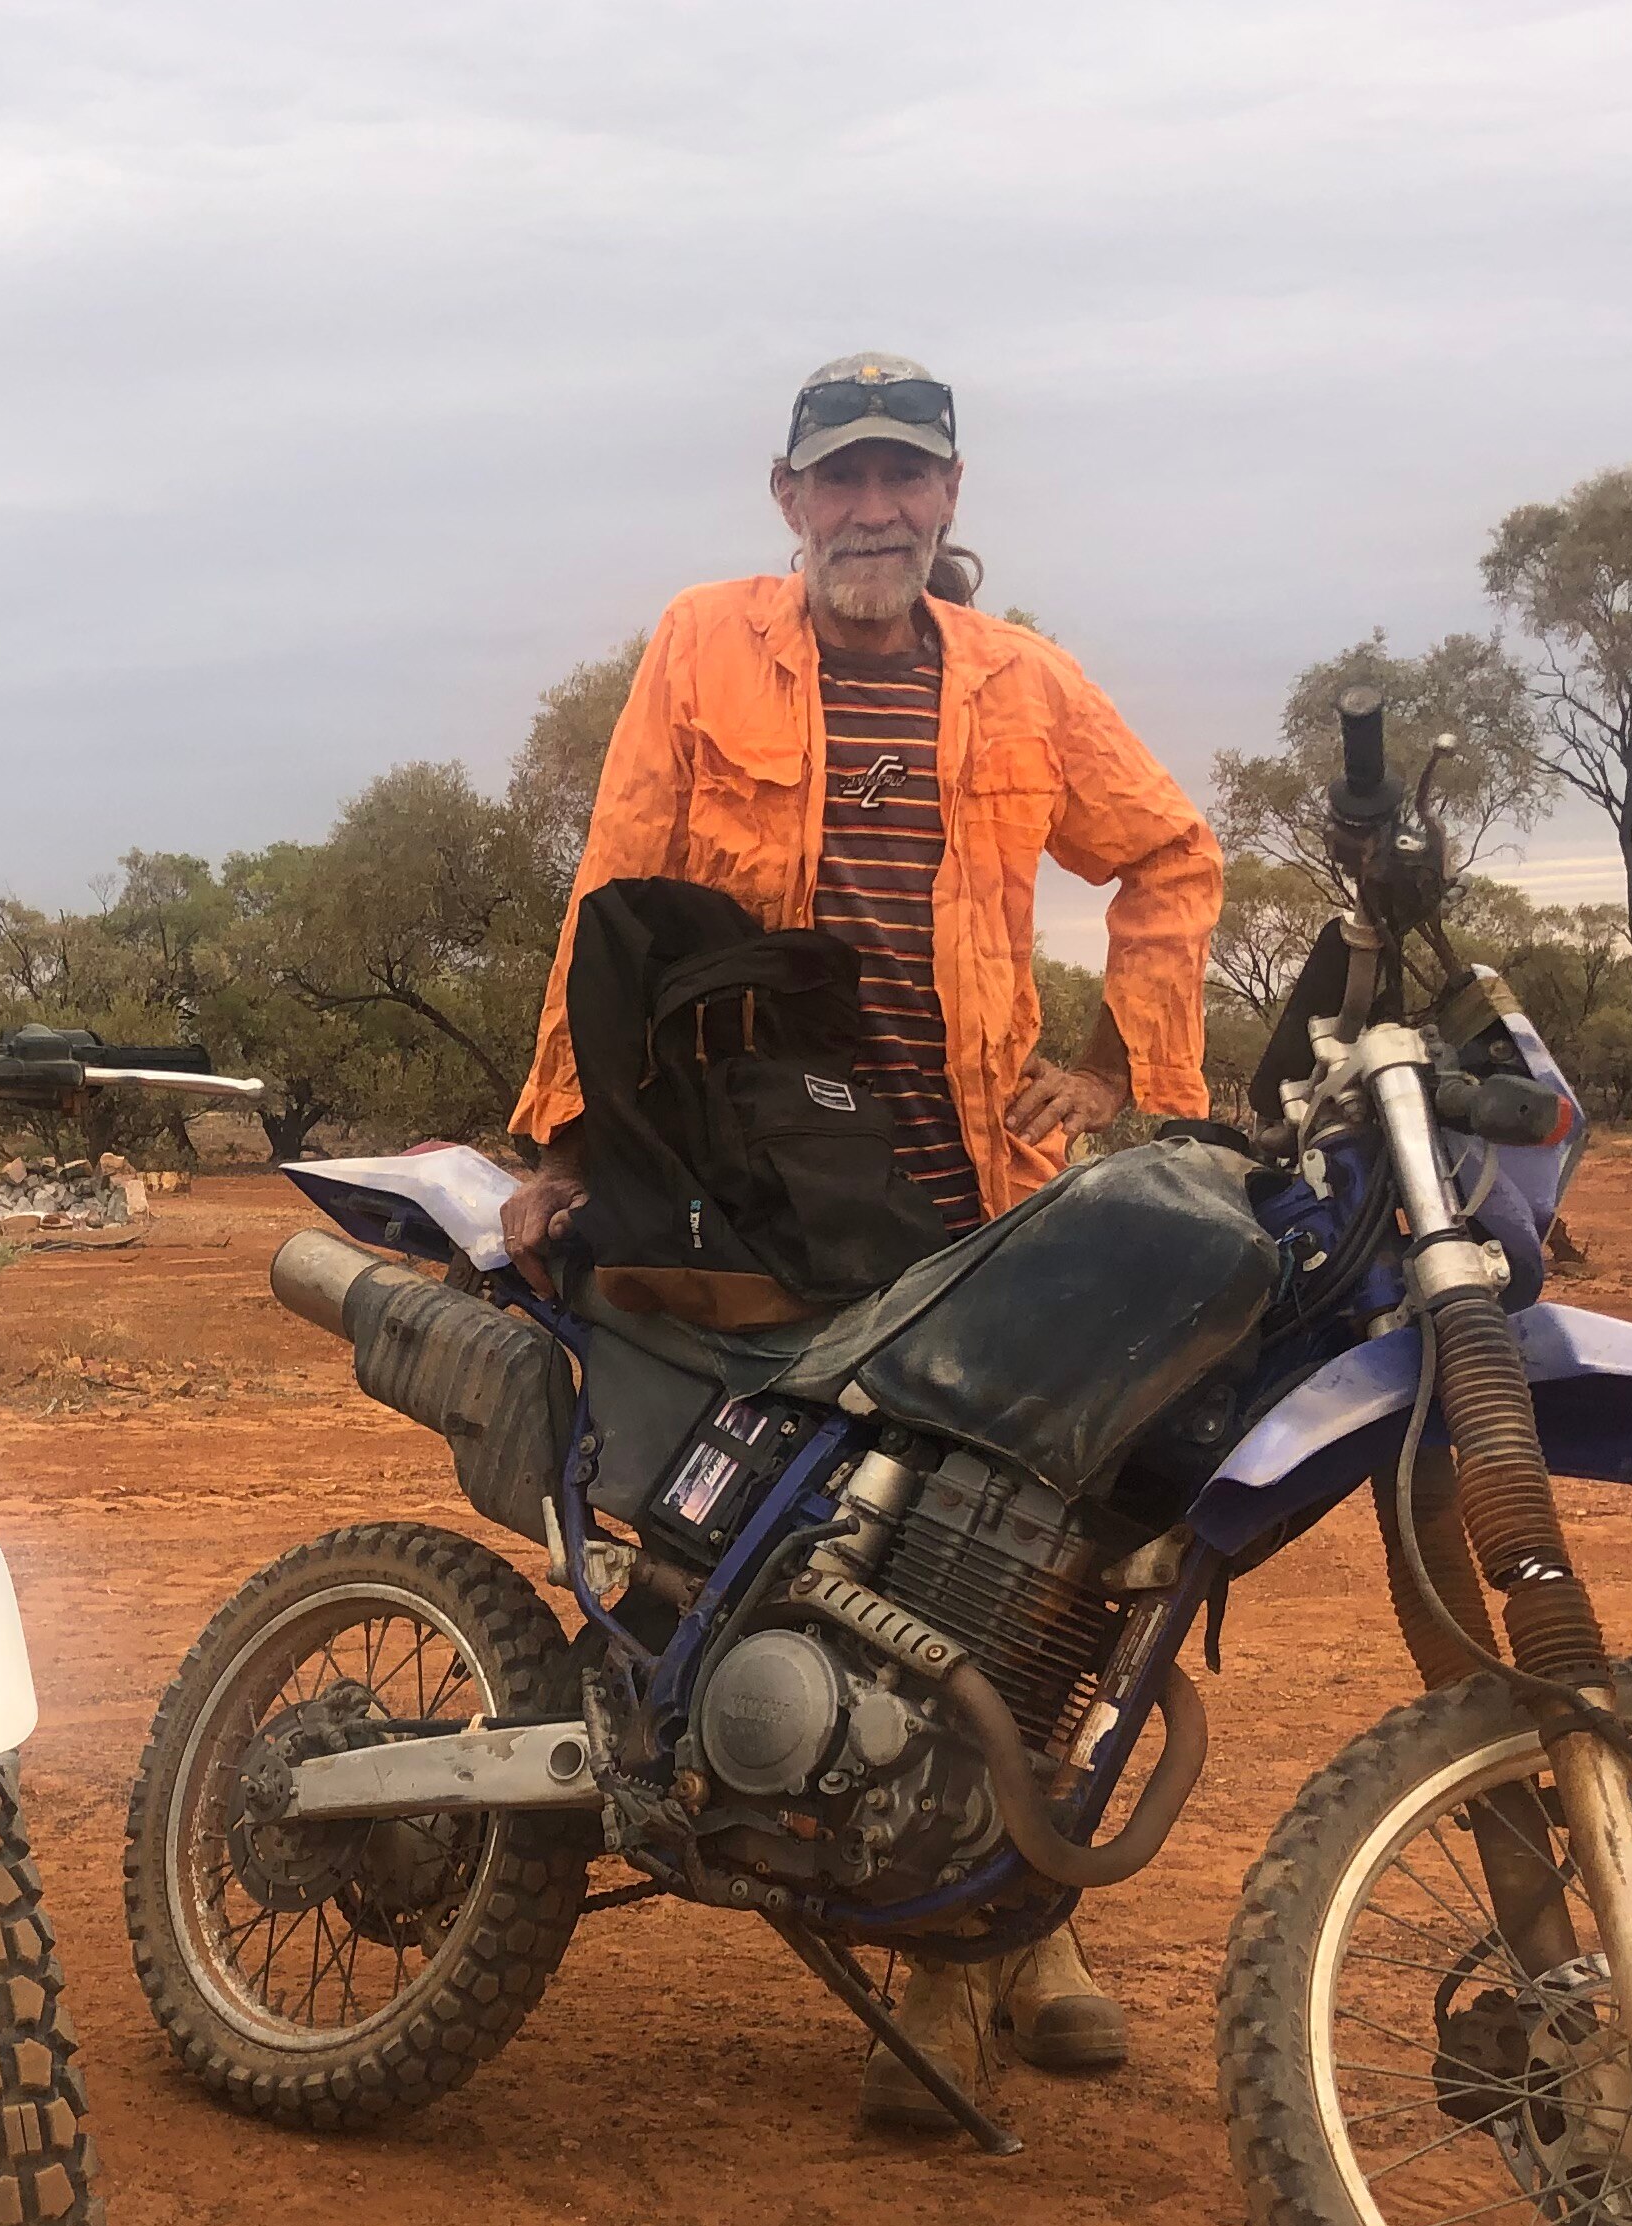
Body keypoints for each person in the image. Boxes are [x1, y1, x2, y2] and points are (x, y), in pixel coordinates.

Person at [501, 353, 1222, 2133]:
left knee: (1041, 1559)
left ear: (954, 497)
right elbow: (617, 893)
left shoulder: (1029, 683)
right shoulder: (700, 647)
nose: (876, 510)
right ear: (787, 496)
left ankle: (1000, 1938)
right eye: (845, 480)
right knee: (848, 1548)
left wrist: (1133, 1077)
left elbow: (1172, 859)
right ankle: (928, 1906)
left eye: (908, 478)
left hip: (978, 1194)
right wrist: (560, 1137)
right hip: (772, 1181)